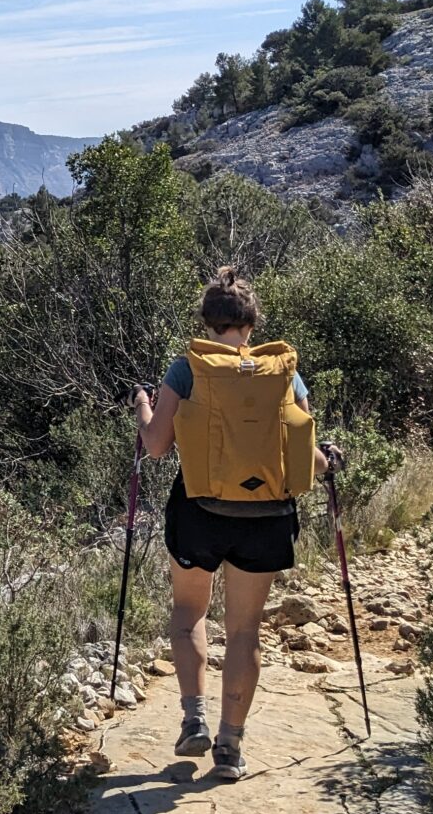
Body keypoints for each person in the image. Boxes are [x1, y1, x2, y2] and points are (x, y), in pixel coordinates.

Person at [129, 267, 337, 782]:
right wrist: (330, 461)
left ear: (207, 321)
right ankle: (230, 747)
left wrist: (141, 405)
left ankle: (193, 716)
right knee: (245, 630)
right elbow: (307, 458)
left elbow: (156, 447)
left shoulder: (187, 369)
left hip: (199, 511)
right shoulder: (284, 373)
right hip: (265, 518)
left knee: (187, 612)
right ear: (251, 322)